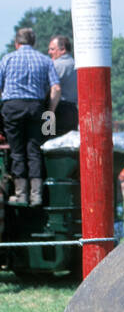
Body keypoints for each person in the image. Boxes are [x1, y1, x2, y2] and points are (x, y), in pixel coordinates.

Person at [0, 27, 61, 206]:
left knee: (17, 151)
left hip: (12, 107)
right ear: (34, 43)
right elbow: (56, 89)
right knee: (34, 150)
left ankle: (21, 195)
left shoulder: (7, 59)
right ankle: (37, 195)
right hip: (36, 108)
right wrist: (49, 111)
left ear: (16, 43)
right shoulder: (44, 60)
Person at [47, 35, 78, 135]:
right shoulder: (78, 66)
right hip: (73, 111)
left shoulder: (54, 66)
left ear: (63, 49)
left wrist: (48, 113)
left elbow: (50, 88)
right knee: (68, 144)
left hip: (55, 110)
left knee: (46, 142)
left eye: (52, 49)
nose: (49, 52)